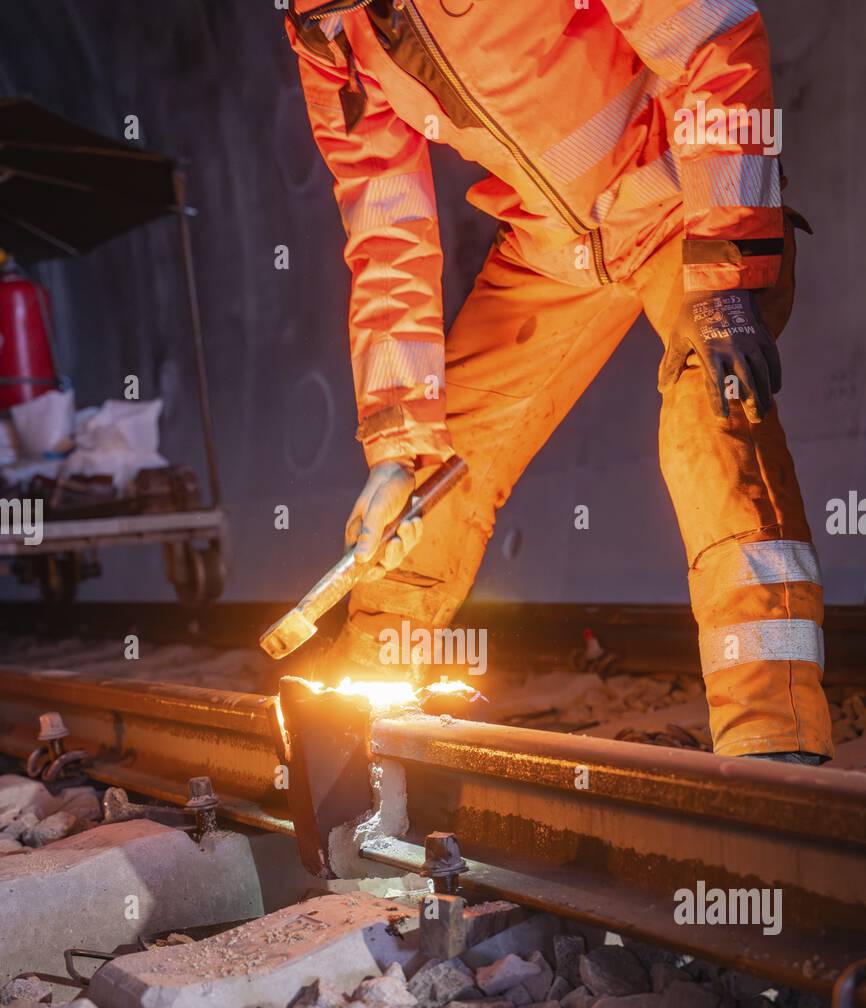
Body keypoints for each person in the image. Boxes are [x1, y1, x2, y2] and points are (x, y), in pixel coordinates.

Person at [284, 0, 832, 763]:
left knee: (710, 424)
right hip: (554, 245)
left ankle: (776, 747)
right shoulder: (327, 27)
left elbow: (710, 34)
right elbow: (386, 228)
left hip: (682, 195)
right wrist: (395, 444)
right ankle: (360, 725)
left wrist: (728, 265)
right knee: (436, 472)